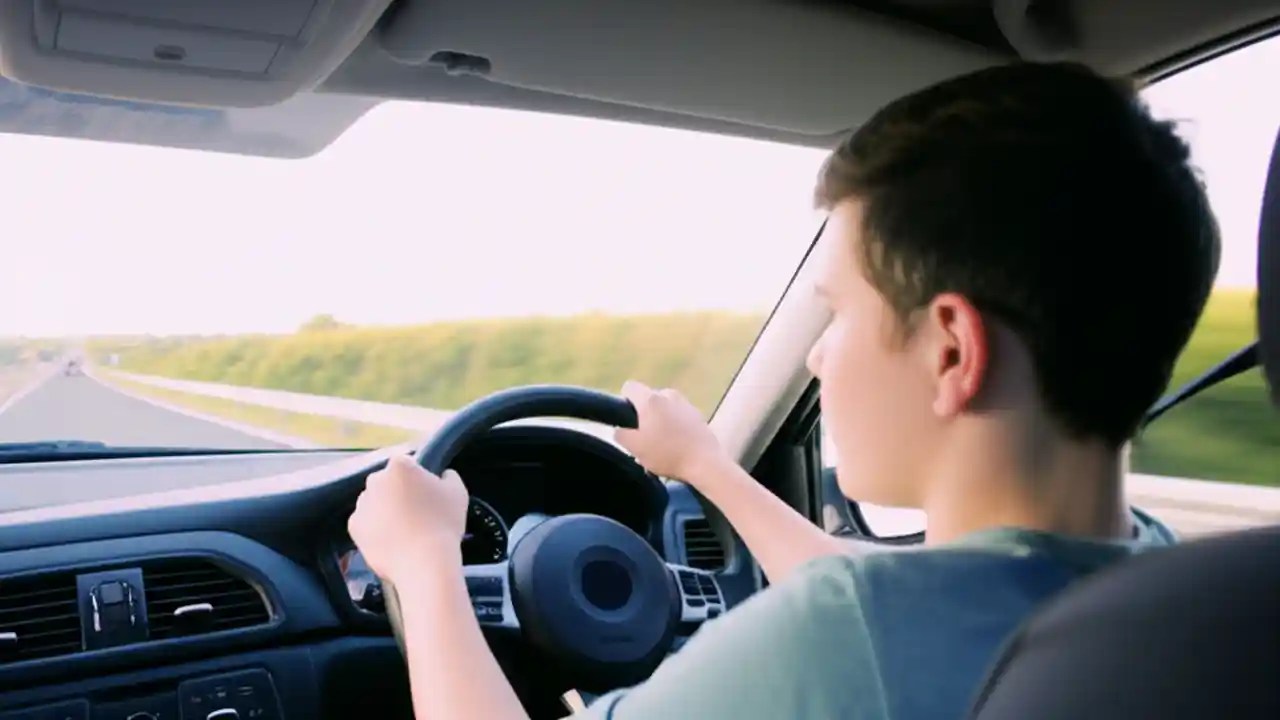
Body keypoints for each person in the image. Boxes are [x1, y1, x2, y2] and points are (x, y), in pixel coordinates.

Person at [347, 61, 1219, 720]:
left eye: (835, 313)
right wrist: (709, 467)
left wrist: (424, 565)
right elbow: (901, 606)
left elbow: (863, 619)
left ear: (952, 349)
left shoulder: (839, 637)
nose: (817, 358)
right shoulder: (1174, 582)